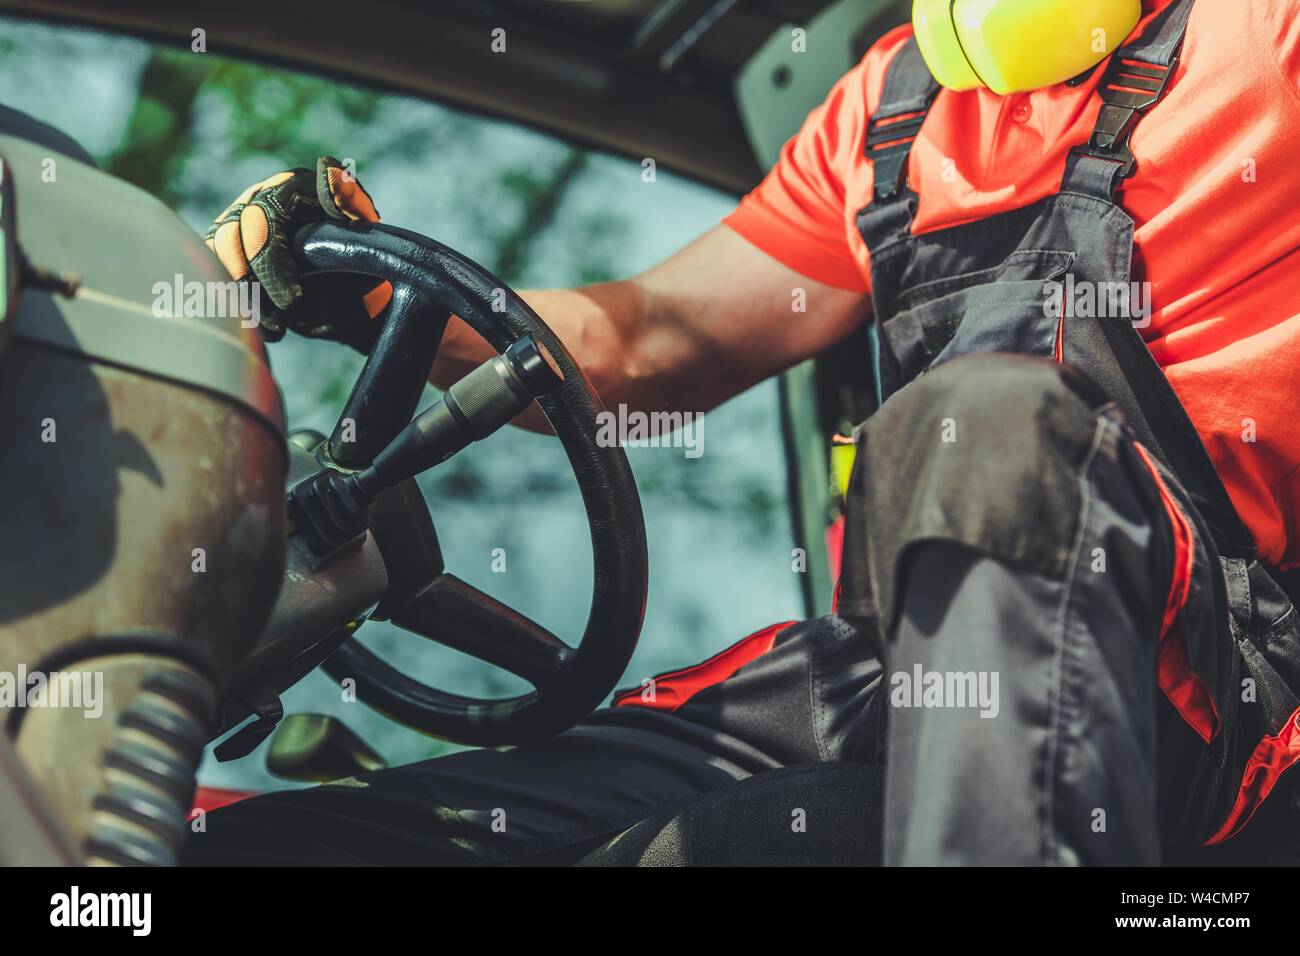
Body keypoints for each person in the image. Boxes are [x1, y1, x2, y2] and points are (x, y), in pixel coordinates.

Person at [185, 0, 1300, 865]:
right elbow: (647, 339)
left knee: (980, 432)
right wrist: (376, 306)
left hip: (1187, 691)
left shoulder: (1266, 41)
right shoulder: (893, 110)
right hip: (885, 667)